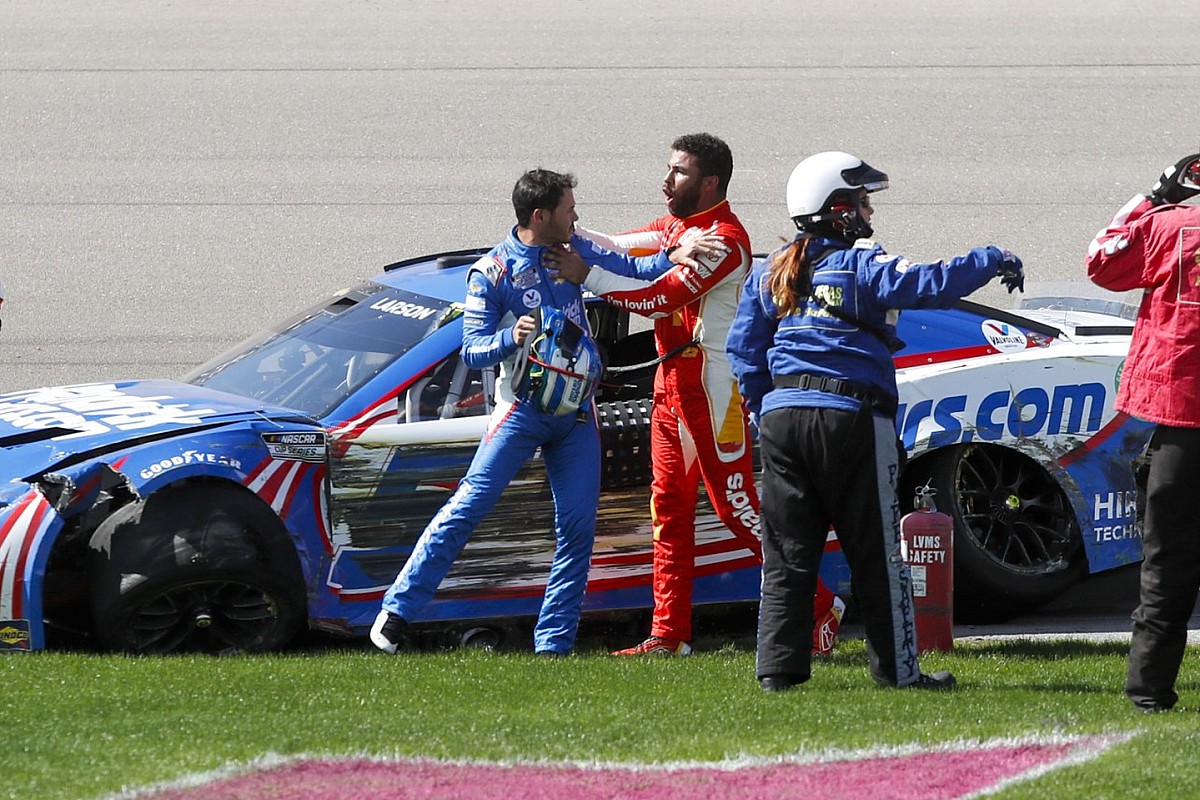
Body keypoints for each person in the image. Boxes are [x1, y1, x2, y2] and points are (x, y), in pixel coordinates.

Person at [370, 168, 714, 657]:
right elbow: (472, 350)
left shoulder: (573, 247)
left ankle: (553, 645)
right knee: (469, 506)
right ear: (540, 215)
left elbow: (629, 267)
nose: (576, 216)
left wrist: (673, 256)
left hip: (576, 414)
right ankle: (396, 612)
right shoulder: (493, 272)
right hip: (521, 412)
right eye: (568, 209)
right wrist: (509, 338)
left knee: (576, 528)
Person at [725, 150, 1025, 691]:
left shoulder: (768, 272)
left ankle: (776, 674)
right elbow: (931, 282)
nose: (869, 212)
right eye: (862, 202)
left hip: (782, 420)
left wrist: (767, 405)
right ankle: (899, 675)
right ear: (838, 211)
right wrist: (992, 257)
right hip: (852, 419)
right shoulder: (862, 265)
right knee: (878, 555)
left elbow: (743, 351)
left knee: (787, 557)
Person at [547, 133, 844, 657]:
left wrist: (586, 276)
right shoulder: (676, 226)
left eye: (678, 172)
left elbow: (658, 299)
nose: (666, 181)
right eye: (668, 169)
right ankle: (668, 635)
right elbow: (619, 247)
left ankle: (822, 605)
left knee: (736, 509)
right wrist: (564, 229)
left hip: (715, 393)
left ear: (710, 182)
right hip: (671, 386)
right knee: (668, 508)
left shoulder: (725, 240)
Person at [1086, 151, 1200, 713]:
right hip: (1181, 422)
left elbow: (1101, 262)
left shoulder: (1170, 226)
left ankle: (1149, 692)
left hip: (1182, 425)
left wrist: (1154, 197)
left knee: (1167, 566)